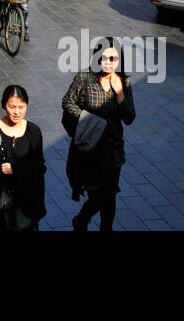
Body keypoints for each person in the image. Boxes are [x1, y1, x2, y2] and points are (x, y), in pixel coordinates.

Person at [61, 37, 135, 231]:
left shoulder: (124, 81)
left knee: (109, 197)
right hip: (89, 149)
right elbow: (68, 102)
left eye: (114, 59)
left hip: (112, 149)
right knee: (96, 198)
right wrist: (86, 119)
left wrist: (120, 93)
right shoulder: (84, 78)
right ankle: (81, 219)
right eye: (104, 58)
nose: (109, 63)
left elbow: (129, 117)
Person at [0, 85, 46, 231]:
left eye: (21, 107)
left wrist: (16, 168)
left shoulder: (33, 131)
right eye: (12, 107)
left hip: (26, 203)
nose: (17, 112)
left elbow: (40, 166)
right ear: (3, 105)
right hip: (0, 200)